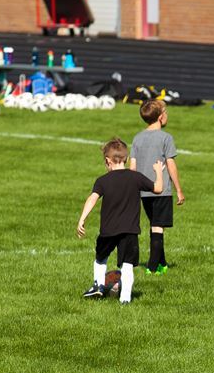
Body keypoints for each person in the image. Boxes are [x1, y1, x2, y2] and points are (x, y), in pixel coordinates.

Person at [77, 138, 163, 304]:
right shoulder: (135, 177)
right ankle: (125, 299)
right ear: (127, 159)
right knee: (127, 264)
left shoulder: (102, 180)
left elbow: (92, 199)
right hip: (130, 230)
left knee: (101, 257)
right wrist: (159, 171)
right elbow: (158, 189)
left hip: (108, 229)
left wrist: (82, 218)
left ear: (108, 161)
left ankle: (98, 285)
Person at [130, 99, 184, 274]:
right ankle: (152, 268)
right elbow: (171, 165)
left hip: (143, 191)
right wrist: (179, 189)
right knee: (158, 227)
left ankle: (162, 263)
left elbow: (132, 167)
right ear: (161, 117)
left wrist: (132, 189)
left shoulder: (137, 138)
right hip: (161, 191)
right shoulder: (166, 138)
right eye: (166, 112)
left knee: (155, 224)